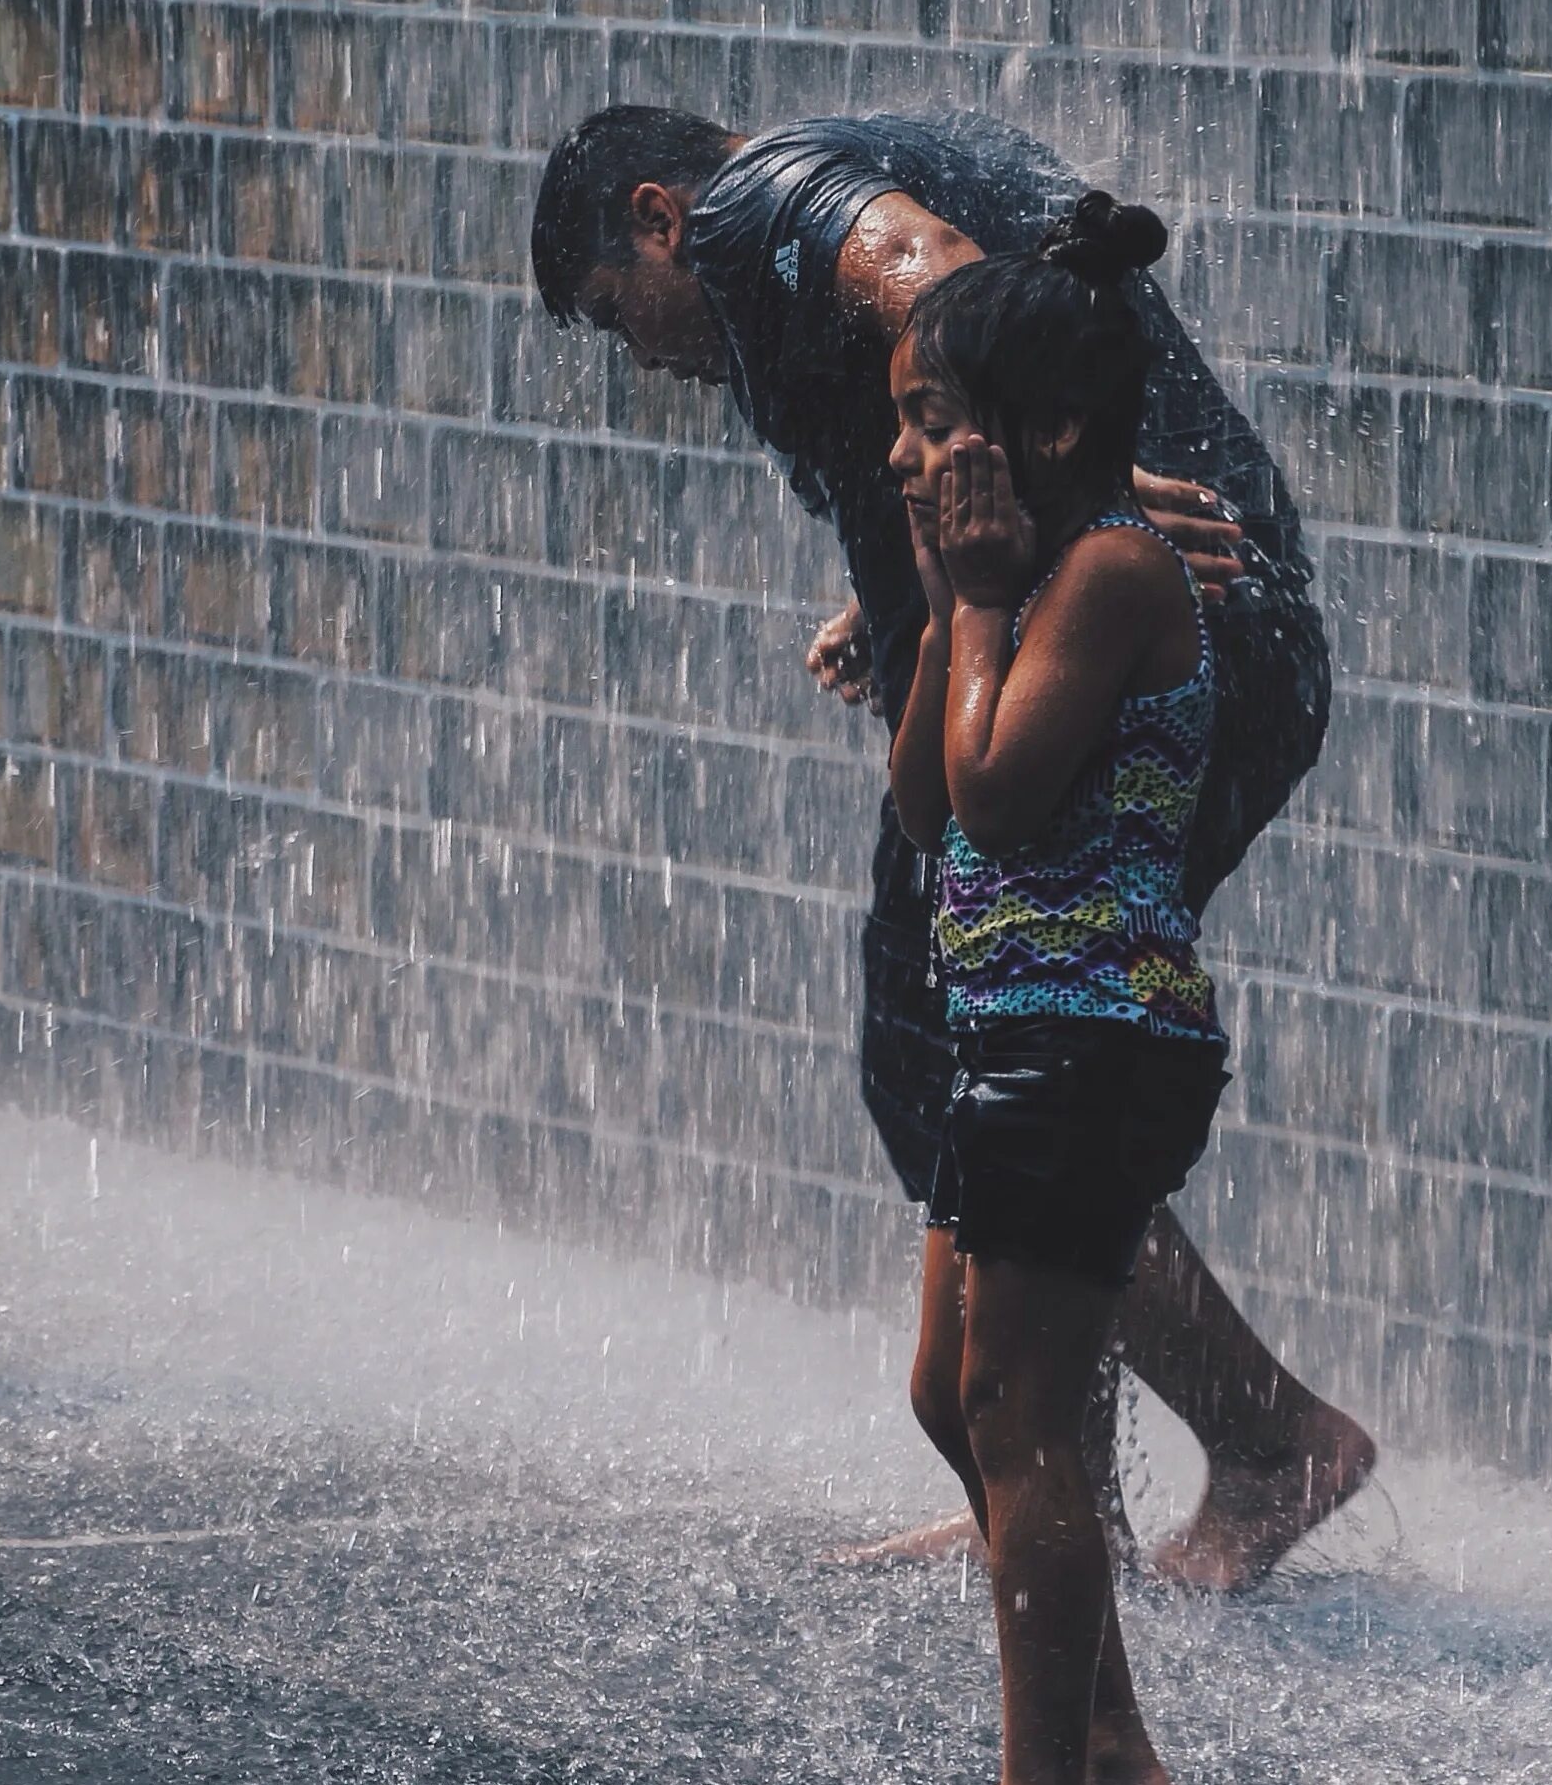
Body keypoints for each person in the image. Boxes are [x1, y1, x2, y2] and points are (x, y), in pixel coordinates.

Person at [531, 103, 1372, 1591]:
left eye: (615, 311)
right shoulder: (818, 188)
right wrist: (913, 596)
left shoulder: (760, 207)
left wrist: (1072, 513)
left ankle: (1248, 1444)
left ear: (659, 219)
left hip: (1159, 645)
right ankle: (1060, 1482)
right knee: (973, 1039)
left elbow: (940, 278)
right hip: (1188, 640)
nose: (640, 355)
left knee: (976, 1049)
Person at [846, 197, 1227, 1785]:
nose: (908, 455)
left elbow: (1004, 796)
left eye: (934, 425)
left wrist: (989, 595)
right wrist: (944, 603)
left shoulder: (1112, 576)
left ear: (1049, 430)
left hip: (1096, 1041)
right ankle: (1111, 1747)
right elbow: (928, 807)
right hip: (1020, 1036)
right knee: (959, 1393)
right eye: (901, 427)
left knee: (1021, 1413)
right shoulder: (1003, 584)